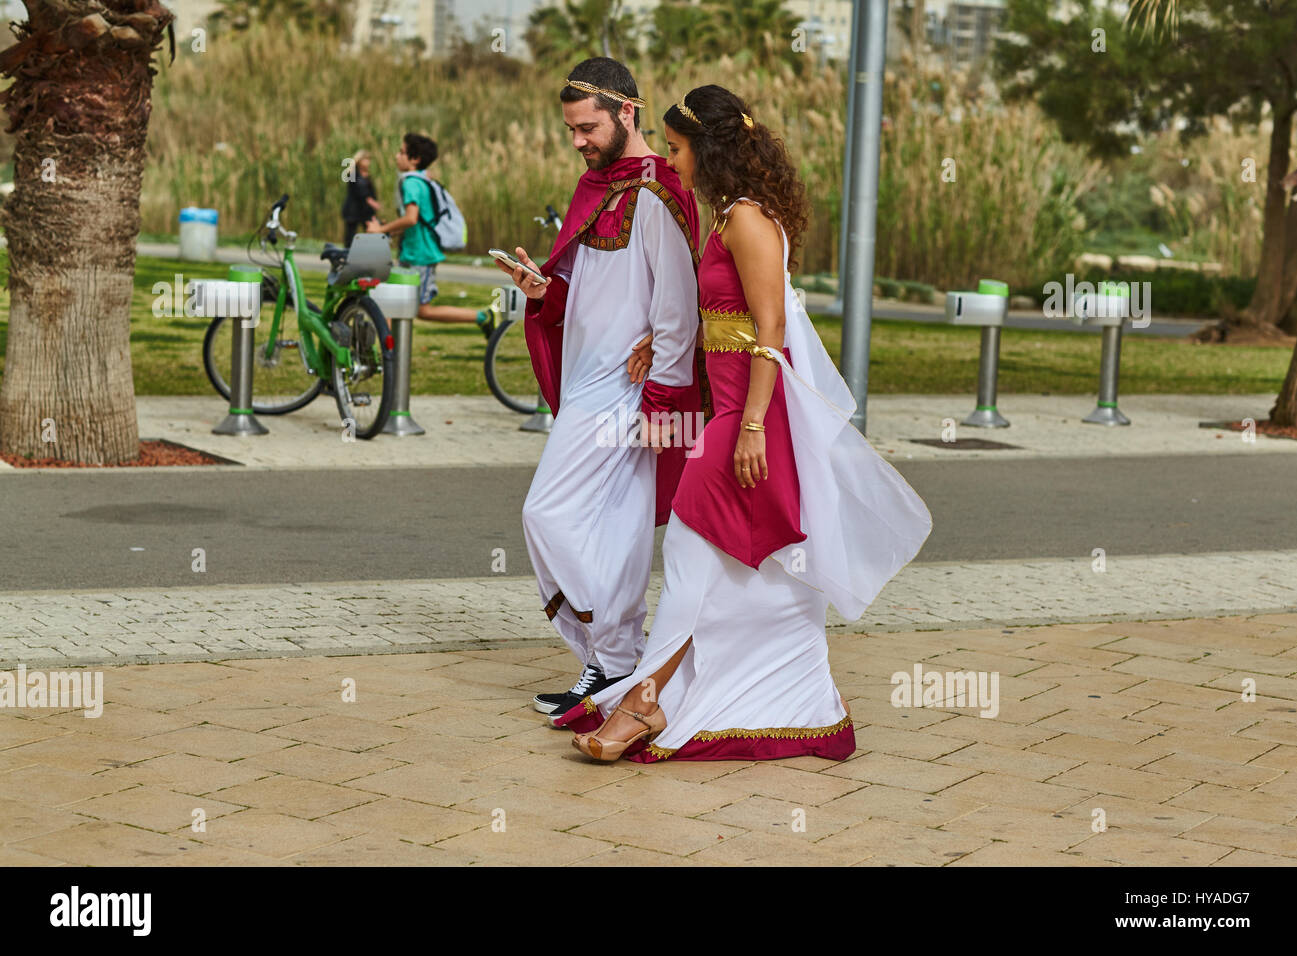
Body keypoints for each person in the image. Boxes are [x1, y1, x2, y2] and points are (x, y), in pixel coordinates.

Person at [556, 85, 933, 762]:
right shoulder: (730, 215)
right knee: (748, 573)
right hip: (732, 407)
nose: (672, 162)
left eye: (675, 149)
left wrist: (754, 424)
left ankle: (646, 703)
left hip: (749, 416)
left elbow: (771, 328)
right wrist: (669, 347)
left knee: (693, 555)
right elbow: (726, 323)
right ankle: (801, 693)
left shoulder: (750, 220)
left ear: (706, 149)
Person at [496, 58, 704, 723]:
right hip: (595, 387)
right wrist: (544, 292)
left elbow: (676, 308)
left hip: (629, 396)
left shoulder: (656, 194)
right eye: (572, 130)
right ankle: (614, 665)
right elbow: (596, 297)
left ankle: (621, 652)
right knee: (615, 534)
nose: (579, 141)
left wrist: (664, 408)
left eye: (587, 128)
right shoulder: (602, 186)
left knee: (545, 514)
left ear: (627, 113)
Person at [367, 133, 495, 336]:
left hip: (421, 256)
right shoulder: (420, 180)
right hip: (414, 253)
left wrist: (380, 230)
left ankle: (482, 317)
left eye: (401, 152)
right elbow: (415, 222)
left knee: (419, 310)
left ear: (414, 159)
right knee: (393, 304)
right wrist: (389, 229)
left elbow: (411, 218)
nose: (396, 156)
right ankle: (387, 356)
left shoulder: (411, 183)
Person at [341, 149, 381, 249]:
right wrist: (371, 201)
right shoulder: (353, 173)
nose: (367, 162)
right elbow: (359, 190)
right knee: (350, 234)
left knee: (370, 230)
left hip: (365, 210)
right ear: (359, 161)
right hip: (353, 209)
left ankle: (368, 251)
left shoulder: (367, 175)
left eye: (368, 160)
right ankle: (348, 253)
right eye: (365, 159)